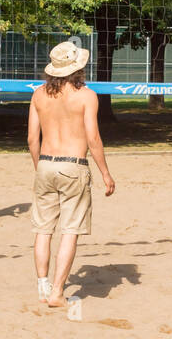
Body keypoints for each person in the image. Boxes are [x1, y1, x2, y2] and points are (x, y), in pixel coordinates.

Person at [26, 39, 116, 308]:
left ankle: (42, 287)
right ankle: (56, 292)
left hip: (45, 163)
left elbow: (32, 138)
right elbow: (93, 138)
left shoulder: (39, 94)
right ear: (77, 68)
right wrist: (106, 174)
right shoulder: (86, 95)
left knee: (43, 230)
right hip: (73, 164)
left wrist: (39, 166)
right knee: (69, 231)